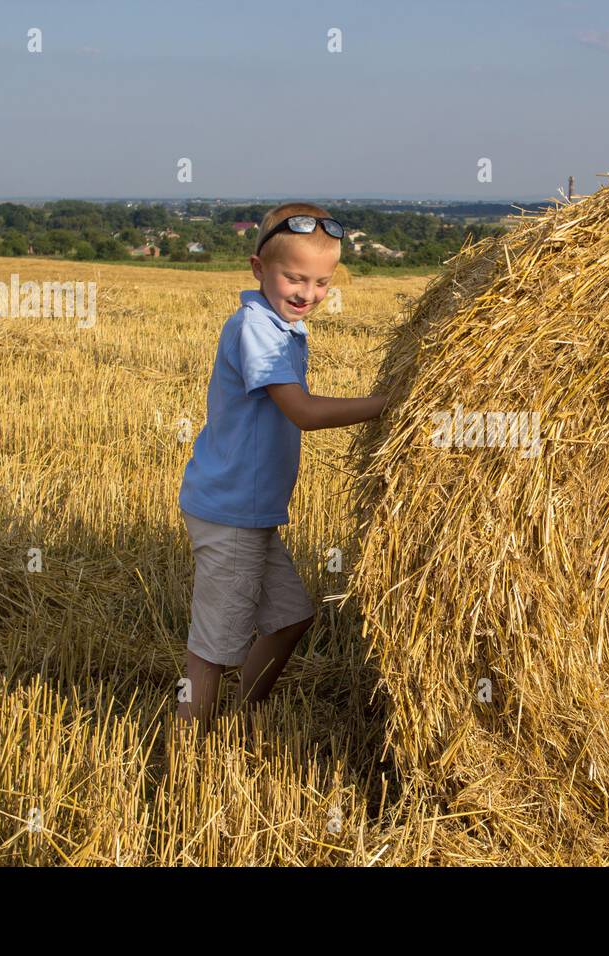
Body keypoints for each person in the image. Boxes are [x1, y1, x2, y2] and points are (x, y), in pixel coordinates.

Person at [176, 202, 386, 733]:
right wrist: (389, 402)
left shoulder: (282, 326)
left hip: (251, 511)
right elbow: (303, 412)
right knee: (213, 650)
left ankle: (240, 720)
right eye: (294, 277)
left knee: (292, 618)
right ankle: (186, 755)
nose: (307, 293)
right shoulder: (257, 328)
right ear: (257, 269)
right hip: (231, 512)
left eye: (321, 282)